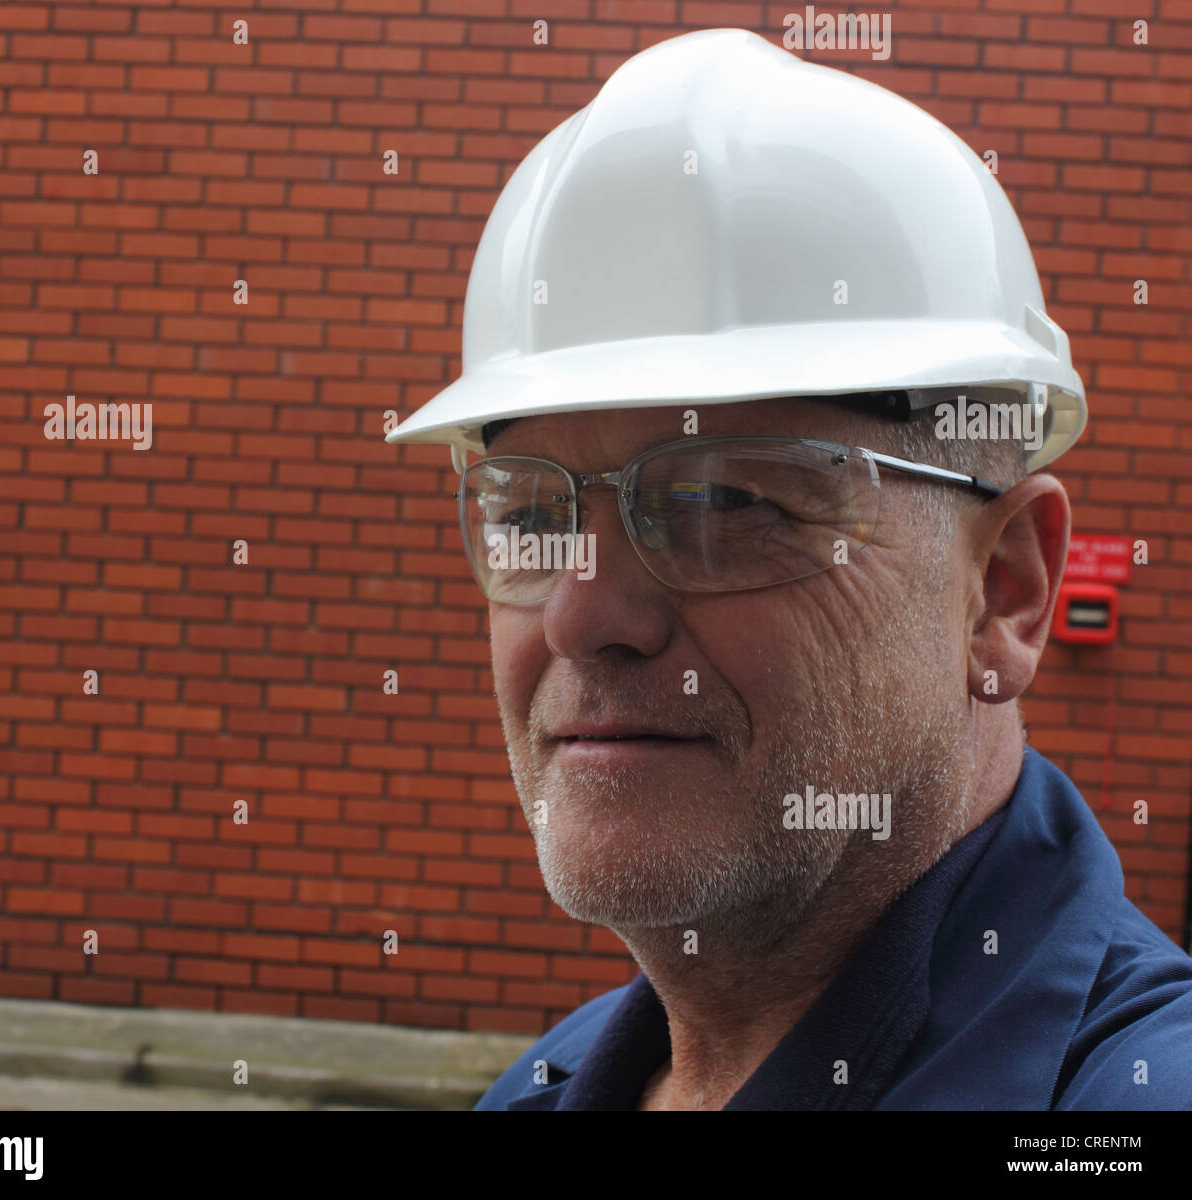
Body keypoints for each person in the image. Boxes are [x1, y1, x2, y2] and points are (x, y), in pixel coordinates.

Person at [385, 28, 1192, 1110]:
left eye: (724, 502)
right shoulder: (544, 1090)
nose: (582, 612)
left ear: (1003, 591)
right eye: (531, 511)